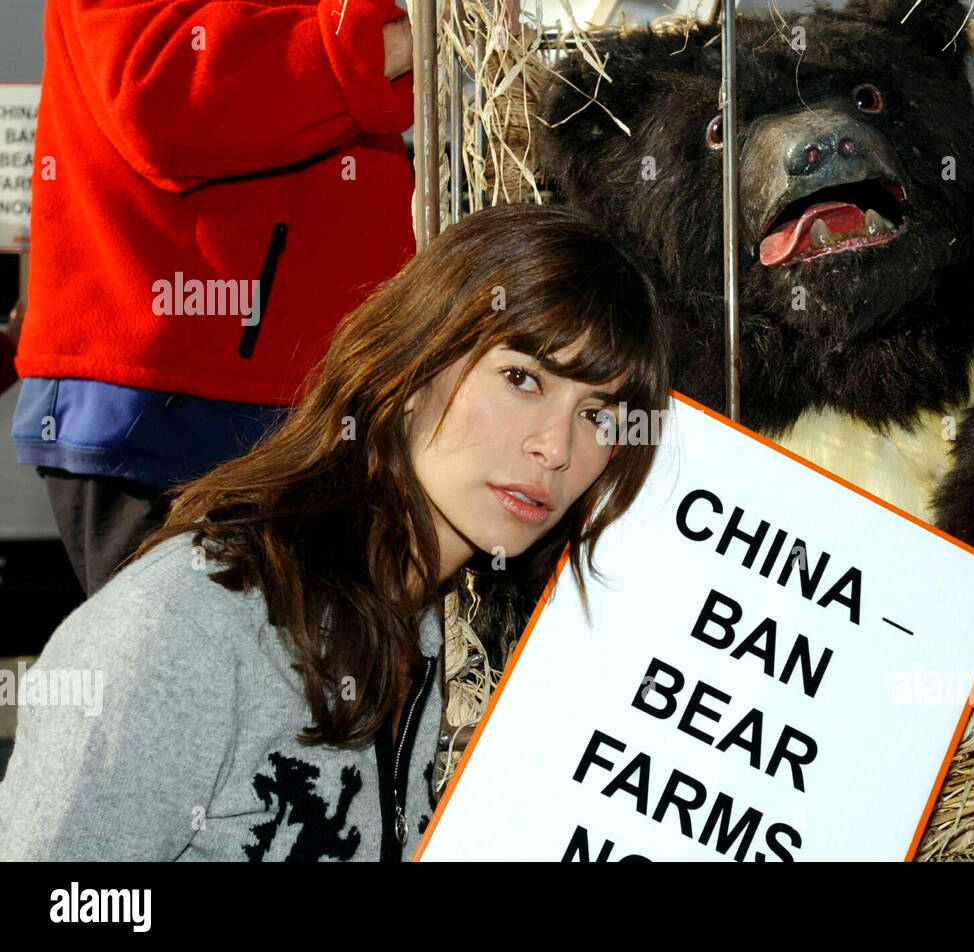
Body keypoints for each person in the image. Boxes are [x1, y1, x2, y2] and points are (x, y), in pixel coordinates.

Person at [0, 202, 671, 862]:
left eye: (599, 416)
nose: (556, 447)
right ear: (413, 369)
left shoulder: (423, 639)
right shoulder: (197, 620)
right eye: (521, 378)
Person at [10, 0, 419, 596]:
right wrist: (388, 44)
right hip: (173, 408)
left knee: (317, 679)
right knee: (197, 676)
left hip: (308, 400)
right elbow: (160, 91)